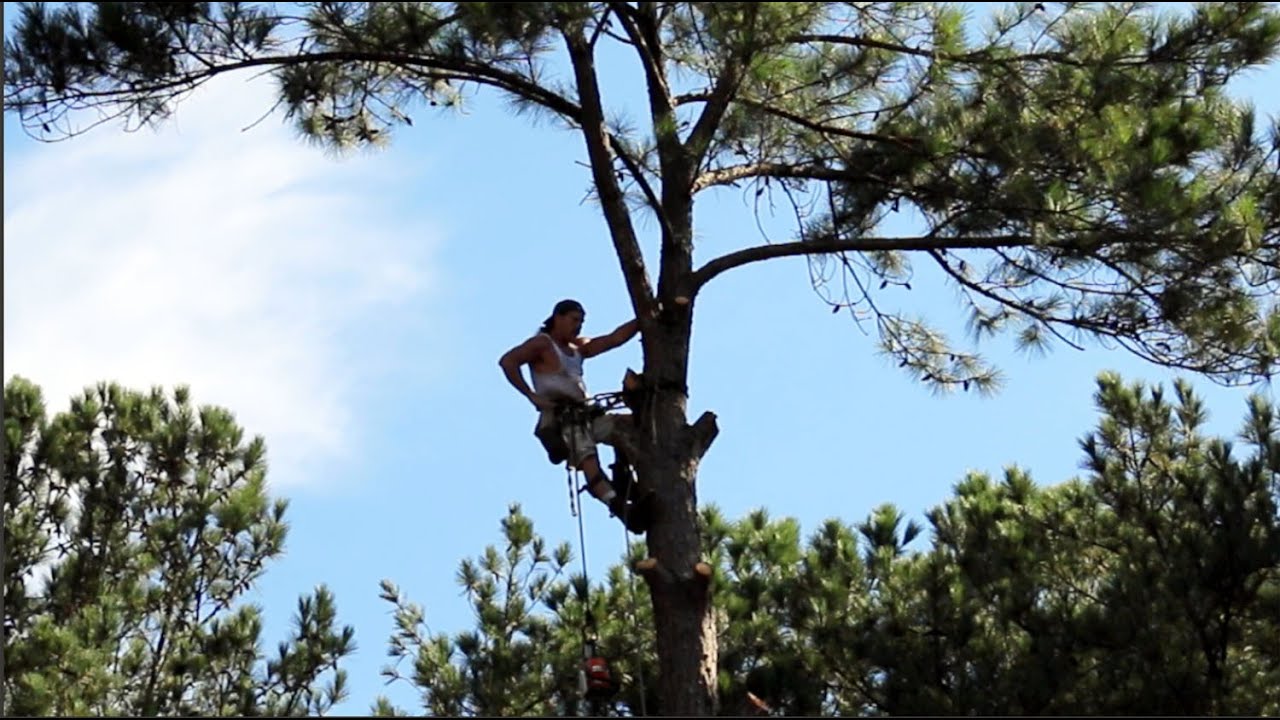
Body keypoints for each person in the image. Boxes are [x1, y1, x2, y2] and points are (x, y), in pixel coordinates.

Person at [499, 299, 654, 533]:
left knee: (628, 424)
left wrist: (645, 318)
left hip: (587, 413)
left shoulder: (578, 348)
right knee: (587, 459)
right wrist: (531, 395)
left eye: (581, 322)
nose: (578, 326)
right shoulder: (542, 344)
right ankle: (620, 507)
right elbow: (508, 361)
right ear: (558, 318)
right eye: (574, 320)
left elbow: (614, 339)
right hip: (563, 417)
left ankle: (622, 475)